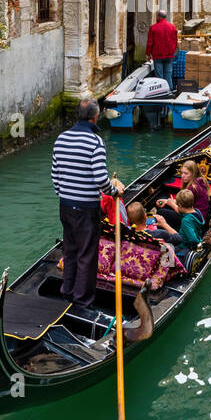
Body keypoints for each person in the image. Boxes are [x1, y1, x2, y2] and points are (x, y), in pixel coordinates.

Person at [51, 100, 123, 308]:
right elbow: (101, 178)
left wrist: (64, 194)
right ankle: (82, 300)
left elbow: (55, 175)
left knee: (70, 250)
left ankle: (67, 293)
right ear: (94, 117)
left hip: (65, 205)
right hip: (86, 208)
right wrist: (114, 191)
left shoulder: (61, 138)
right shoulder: (95, 142)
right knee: (86, 255)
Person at [153, 190, 205, 267]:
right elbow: (183, 213)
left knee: (162, 248)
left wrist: (164, 224)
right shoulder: (197, 212)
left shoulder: (185, 221)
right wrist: (169, 203)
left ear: (180, 205)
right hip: (188, 238)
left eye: (177, 205)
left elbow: (194, 240)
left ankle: (164, 268)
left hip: (183, 245)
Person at [157, 159, 210, 226]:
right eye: (181, 173)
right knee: (165, 201)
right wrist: (166, 201)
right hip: (198, 215)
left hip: (195, 220)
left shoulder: (193, 188)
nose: (182, 176)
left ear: (193, 174)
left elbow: (183, 212)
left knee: (161, 212)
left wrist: (171, 204)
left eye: (186, 173)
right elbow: (184, 204)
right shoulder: (199, 181)